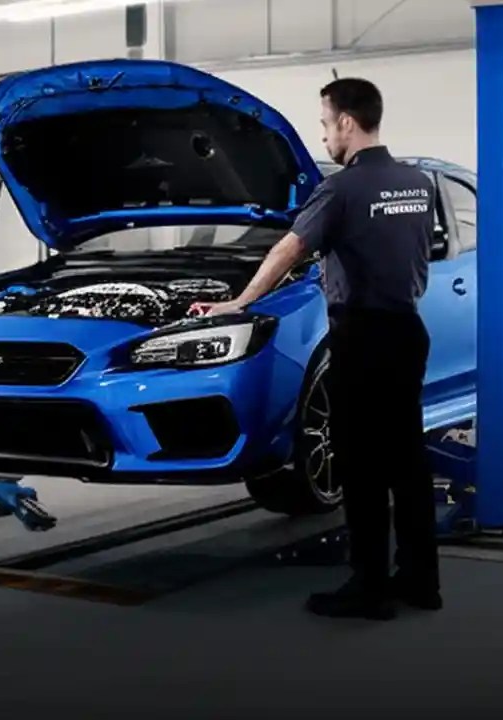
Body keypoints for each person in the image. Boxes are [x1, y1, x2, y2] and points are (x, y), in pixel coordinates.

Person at [190, 77, 441, 621]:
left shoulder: (341, 189)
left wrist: (240, 302)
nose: (324, 134)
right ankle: (422, 581)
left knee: (362, 465)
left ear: (347, 122)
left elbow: (290, 247)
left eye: (325, 123)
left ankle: (369, 588)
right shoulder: (418, 183)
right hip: (407, 331)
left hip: (361, 335)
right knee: (407, 460)